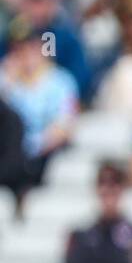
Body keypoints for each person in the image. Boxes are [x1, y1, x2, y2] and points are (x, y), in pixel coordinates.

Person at [0, 16, 78, 200]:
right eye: (17, 48)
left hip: (41, 158)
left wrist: (32, 146)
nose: (23, 54)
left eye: (28, 46)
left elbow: (64, 127)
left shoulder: (60, 81)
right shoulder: (5, 79)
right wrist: (6, 88)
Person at [65, 161, 132, 263]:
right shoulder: (79, 236)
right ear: (96, 189)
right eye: (102, 183)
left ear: (123, 188)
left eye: (115, 182)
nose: (109, 189)